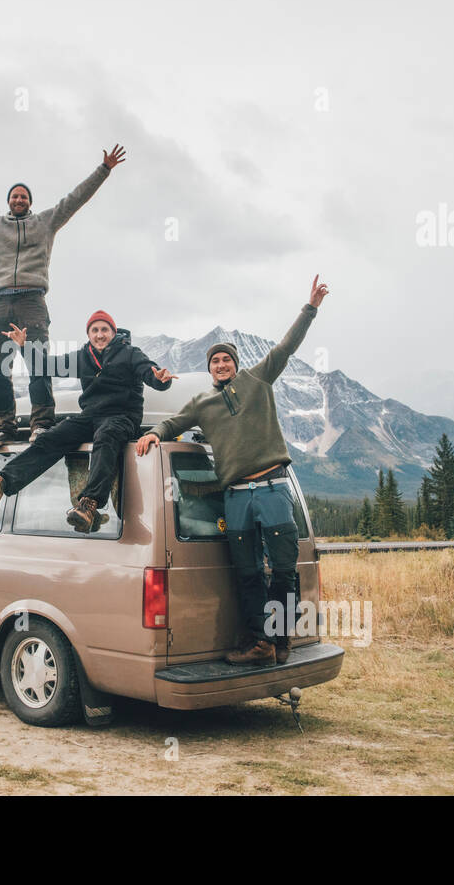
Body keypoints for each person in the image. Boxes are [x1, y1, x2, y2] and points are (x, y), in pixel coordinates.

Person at [136, 276, 331, 666]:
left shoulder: (258, 379)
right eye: (214, 361)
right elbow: (173, 423)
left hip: (274, 488)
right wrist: (154, 434)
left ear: (235, 364)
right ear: (209, 369)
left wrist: (310, 307)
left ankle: (280, 641)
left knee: (283, 572)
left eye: (225, 359)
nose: (220, 364)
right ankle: (259, 641)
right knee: (246, 573)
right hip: (236, 496)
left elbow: (287, 346)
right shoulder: (202, 402)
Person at [0, 144, 126, 444]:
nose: (19, 199)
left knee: (38, 365)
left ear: (29, 202)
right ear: (9, 202)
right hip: (0, 303)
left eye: (24, 196)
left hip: (32, 301)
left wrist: (103, 169)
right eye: (15, 196)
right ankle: (5, 425)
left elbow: (75, 199)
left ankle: (41, 424)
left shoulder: (45, 223)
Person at [0, 310, 176, 532]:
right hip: (90, 416)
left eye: (104, 329)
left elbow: (150, 373)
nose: (100, 335)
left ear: (113, 332)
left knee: (107, 436)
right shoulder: (83, 356)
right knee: (51, 437)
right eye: (95, 330)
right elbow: (46, 366)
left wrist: (160, 379)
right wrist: (24, 346)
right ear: (89, 334)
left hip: (122, 416)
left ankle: (89, 504)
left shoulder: (130, 353)